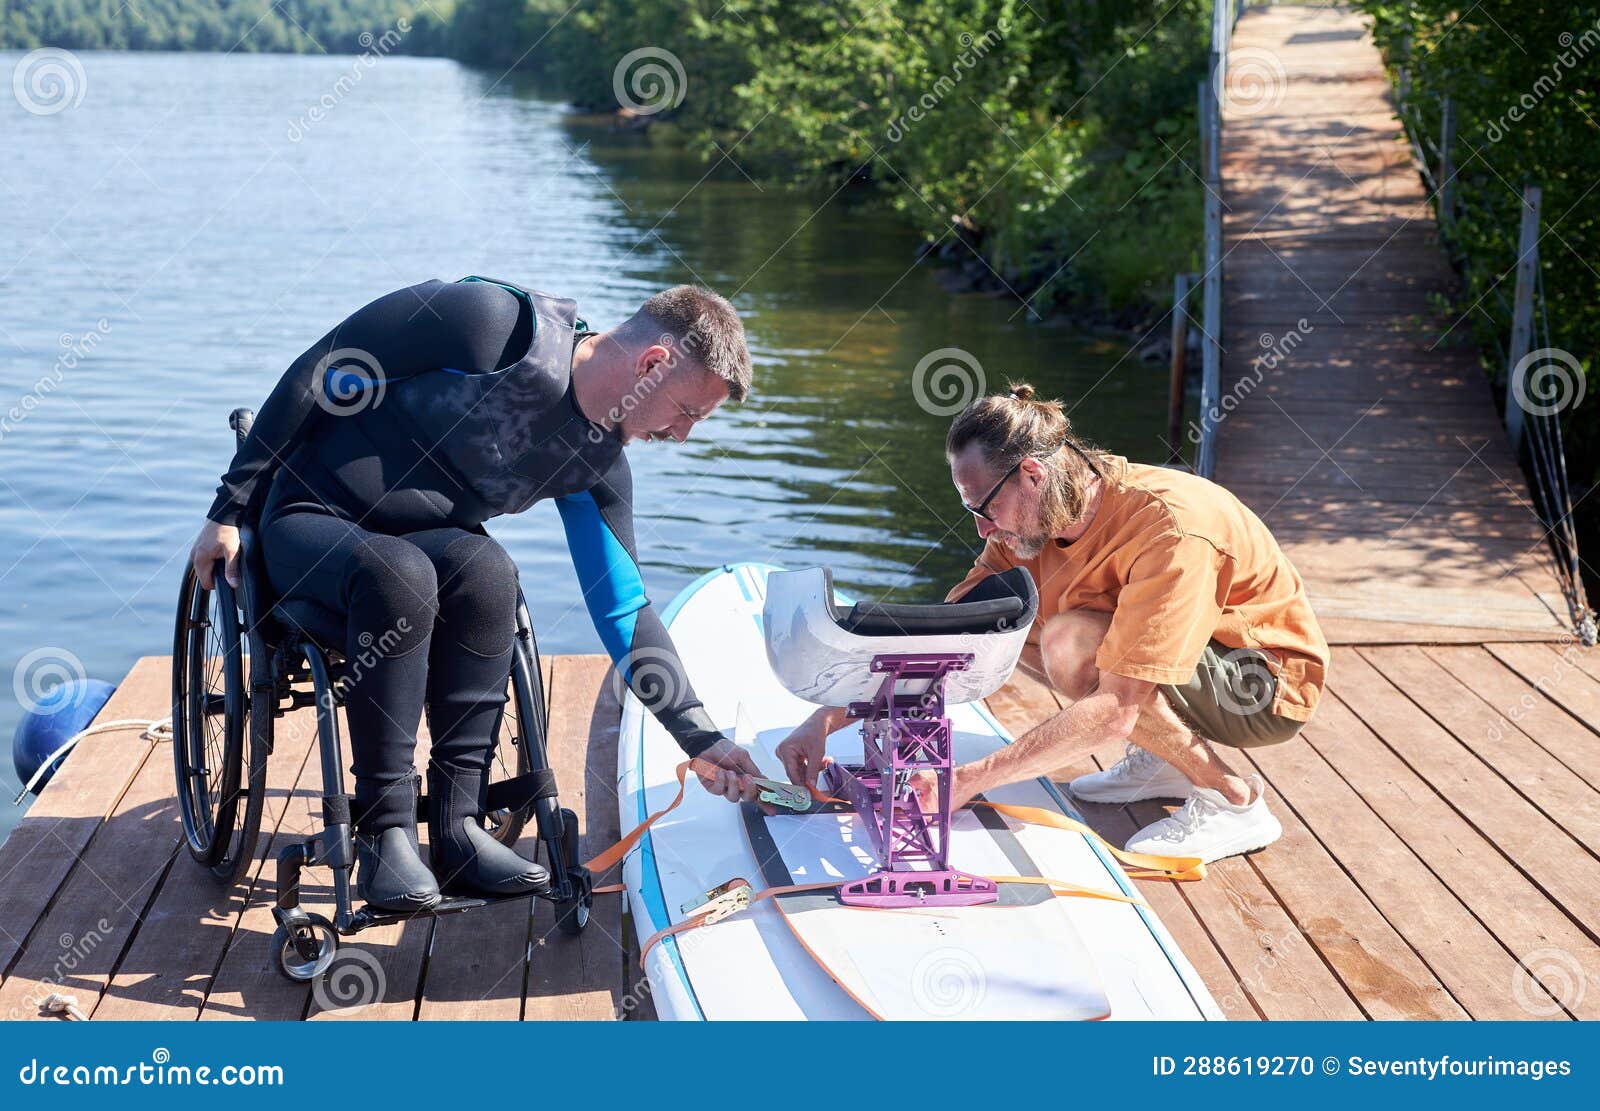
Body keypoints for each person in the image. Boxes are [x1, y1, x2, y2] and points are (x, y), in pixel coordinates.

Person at [189, 276, 765, 911]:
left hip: (417, 553)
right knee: (399, 572)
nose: (680, 435)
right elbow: (321, 367)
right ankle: (386, 832)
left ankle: (458, 827)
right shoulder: (490, 325)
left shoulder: (594, 464)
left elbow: (624, 607)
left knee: (490, 570)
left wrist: (701, 739)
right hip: (308, 517)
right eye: (686, 413)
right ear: (652, 364)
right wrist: (228, 508)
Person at [776, 383, 1330, 864]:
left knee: (1071, 640)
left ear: (1032, 474)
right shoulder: (1030, 519)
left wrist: (965, 783)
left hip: (1260, 686)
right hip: (1186, 667)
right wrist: (828, 718)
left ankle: (1234, 800)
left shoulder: (1169, 530)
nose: (981, 530)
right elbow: (955, 640)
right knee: (1008, 624)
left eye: (983, 509)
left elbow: (1118, 707)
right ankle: (1164, 761)